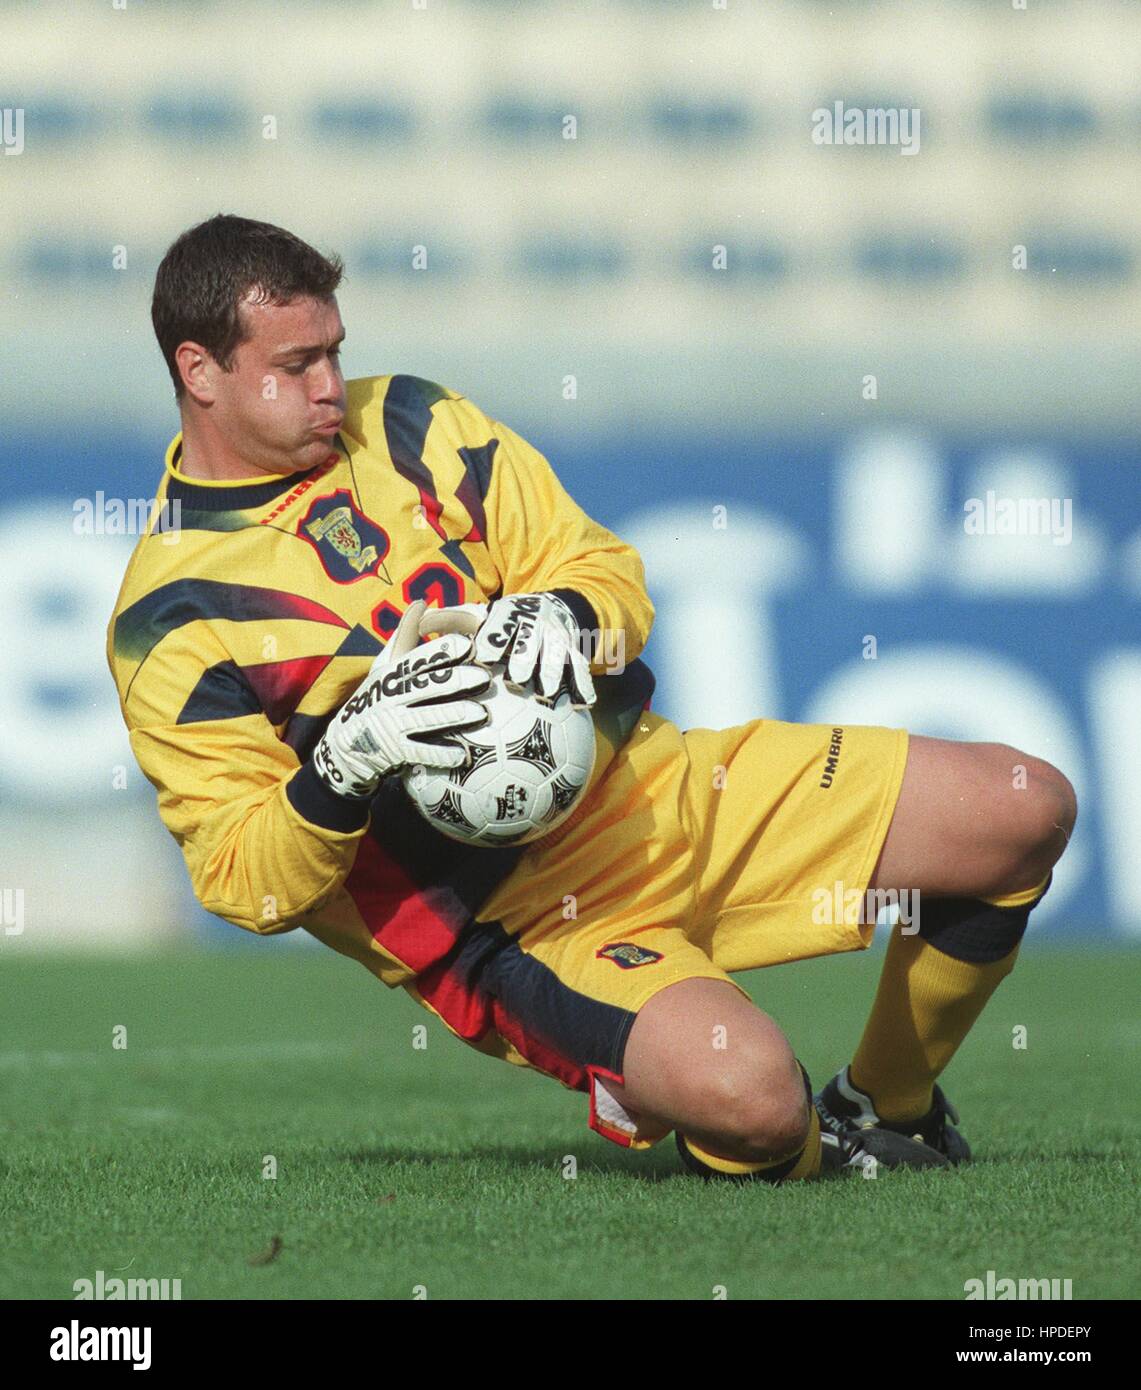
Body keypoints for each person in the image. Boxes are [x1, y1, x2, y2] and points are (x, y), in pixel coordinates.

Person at [108, 214, 1076, 1183]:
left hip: (666, 788)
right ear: (200, 371)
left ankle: (886, 1105)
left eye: (335, 351)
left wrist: (564, 613)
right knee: (753, 1101)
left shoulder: (413, 423)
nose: (330, 386)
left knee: (1021, 802)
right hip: (519, 923)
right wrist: (343, 766)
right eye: (297, 362)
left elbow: (600, 567)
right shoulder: (172, 619)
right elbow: (246, 880)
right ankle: (788, 1140)